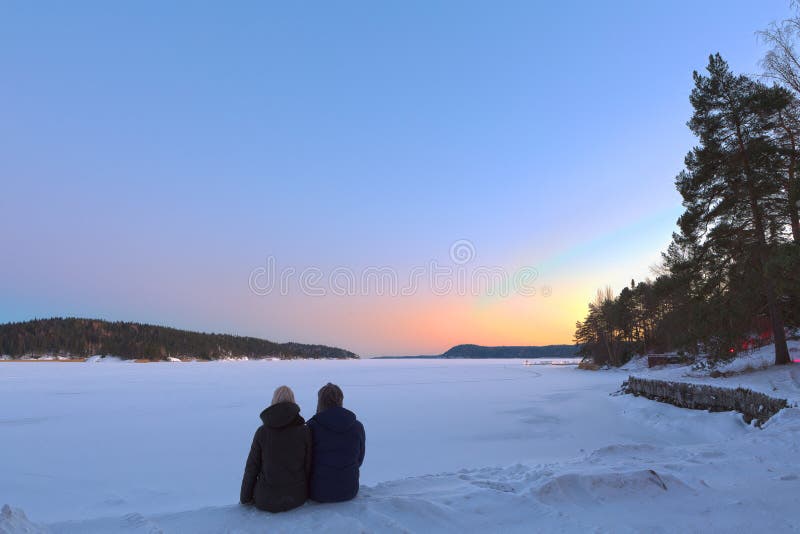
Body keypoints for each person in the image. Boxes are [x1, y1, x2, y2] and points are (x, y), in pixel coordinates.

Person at [240, 385, 311, 513]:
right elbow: (308, 466)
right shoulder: (304, 431)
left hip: (266, 499)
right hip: (296, 497)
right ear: (293, 402)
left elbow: (252, 468)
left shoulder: (262, 432)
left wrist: (245, 499)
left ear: (273, 401)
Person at [307, 383, 366, 502]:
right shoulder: (357, 426)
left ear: (320, 401)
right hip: (349, 490)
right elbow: (359, 459)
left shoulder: (311, 427)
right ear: (341, 400)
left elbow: (306, 461)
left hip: (318, 491)